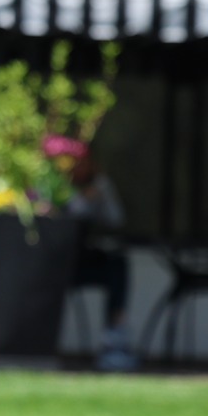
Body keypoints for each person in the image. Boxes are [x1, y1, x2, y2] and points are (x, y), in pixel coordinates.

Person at [66, 155, 136, 371]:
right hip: (55, 263)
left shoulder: (98, 185)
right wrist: (83, 198)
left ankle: (114, 339)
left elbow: (116, 218)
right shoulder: (54, 186)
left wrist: (102, 190)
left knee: (117, 264)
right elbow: (66, 216)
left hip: (84, 260)